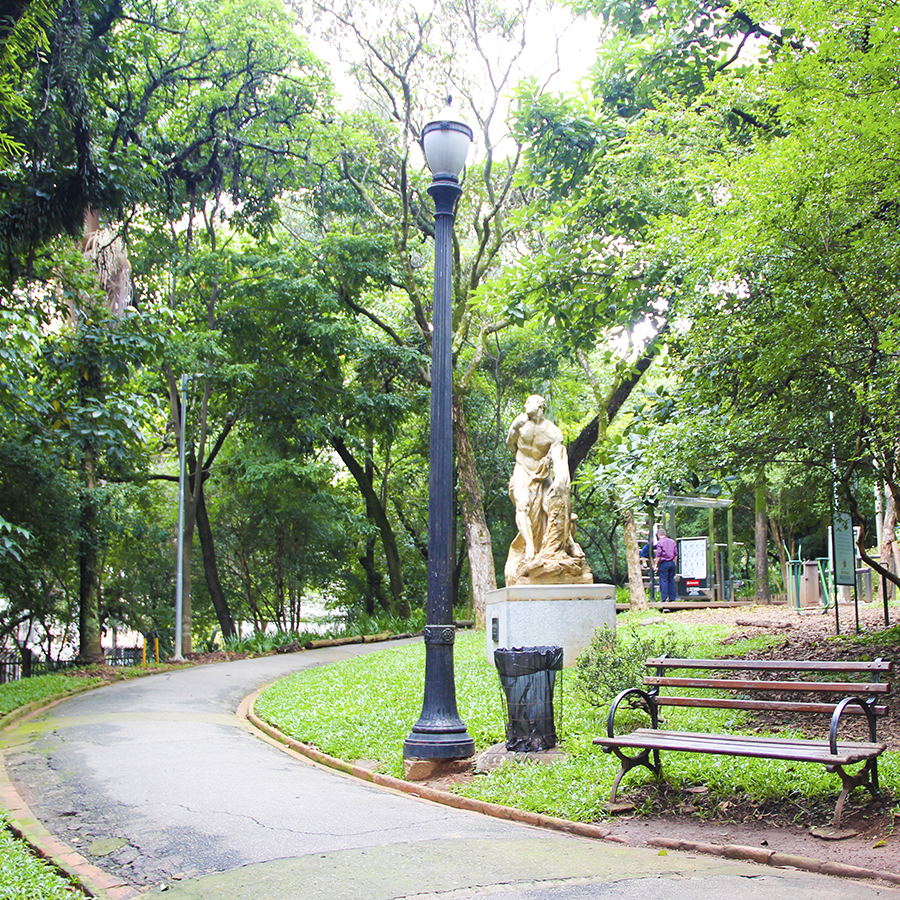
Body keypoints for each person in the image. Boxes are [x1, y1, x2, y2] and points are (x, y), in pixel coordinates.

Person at [504, 395, 589, 585]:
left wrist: (559, 480)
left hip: (542, 472)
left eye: (529, 402)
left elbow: (559, 460)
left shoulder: (553, 432)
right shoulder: (519, 422)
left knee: (553, 507)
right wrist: (521, 452)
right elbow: (510, 444)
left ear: (541, 406)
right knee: (522, 505)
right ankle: (530, 549)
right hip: (522, 468)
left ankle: (568, 543)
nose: (525, 405)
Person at [653, 526, 679, 603]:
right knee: (671, 580)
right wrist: (675, 562)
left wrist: (656, 565)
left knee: (663, 580)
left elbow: (658, 554)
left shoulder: (660, 542)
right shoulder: (672, 541)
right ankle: (672, 598)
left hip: (664, 563)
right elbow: (676, 553)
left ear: (658, 535)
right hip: (672, 562)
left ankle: (664, 598)